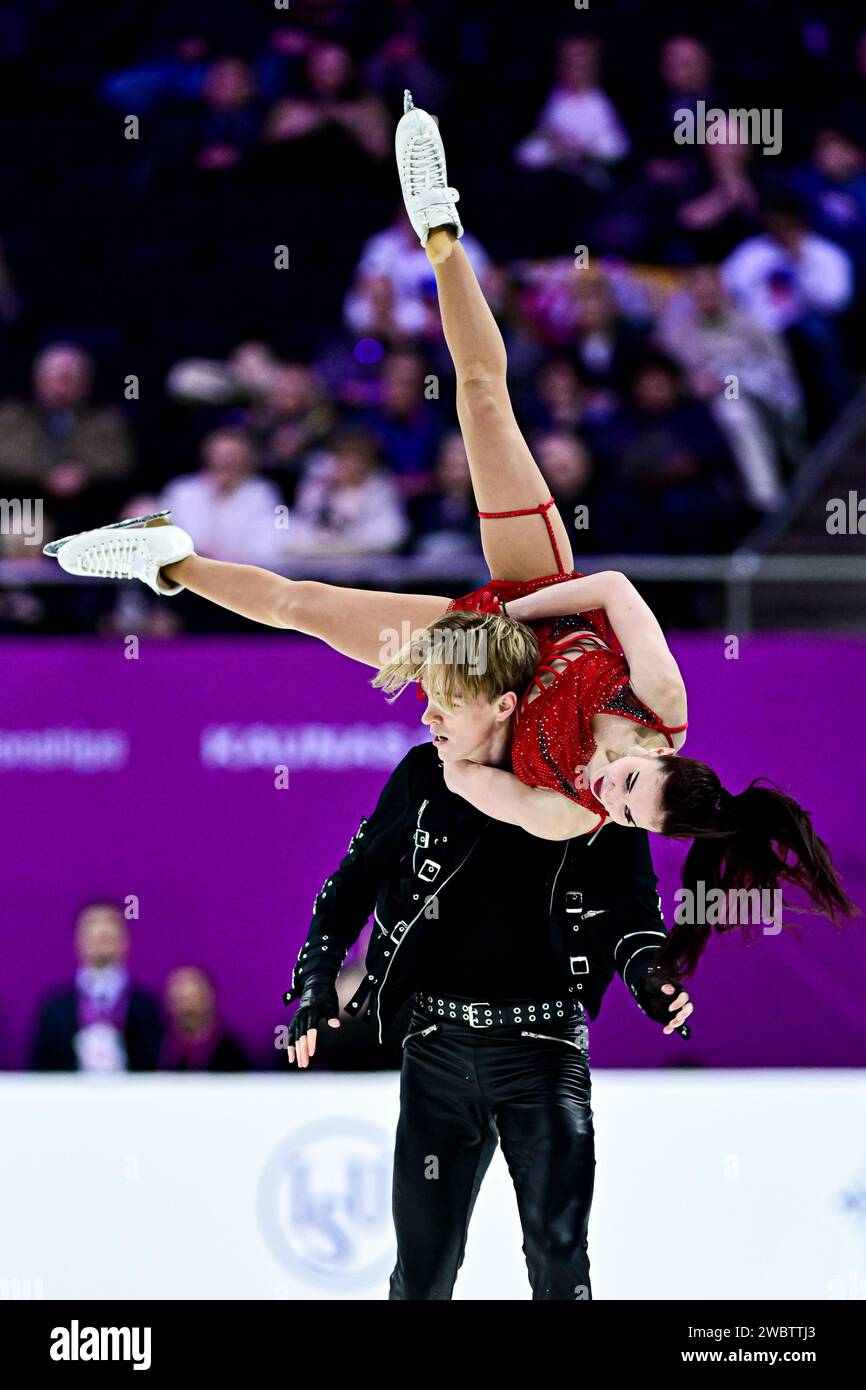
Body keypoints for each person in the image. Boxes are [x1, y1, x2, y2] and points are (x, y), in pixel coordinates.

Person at [47, 94, 855, 977]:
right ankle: (440, 228)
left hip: (479, 668)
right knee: (481, 402)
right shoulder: (660, 703)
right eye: (628, 786)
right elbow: (617, 591)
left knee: (300, 605)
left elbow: (466, 781)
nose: (609, 795)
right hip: (540, 597)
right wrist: (519, 615)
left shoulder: (565, 814)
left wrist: (464, 721)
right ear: (663, 752)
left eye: (623, 815)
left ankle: (167, 557)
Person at [281, 640, 694, 1298]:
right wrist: (315, 981)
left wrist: (649, 973)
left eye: (448, 702)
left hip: (543, 1053)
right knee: (422, 1273)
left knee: (559, 1259)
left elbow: (632, 912)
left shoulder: (595, 787)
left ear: (504, 706)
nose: (427, 717)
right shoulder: (422, 775)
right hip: (436, 1054)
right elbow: (350, 886)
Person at [31, 902, 162, 1072]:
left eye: (110, 924)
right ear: (78, 939)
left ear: (125, 939)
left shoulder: (147, 1007)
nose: (101, 931)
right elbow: (40, 1073)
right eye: (92, 925)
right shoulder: (54, 1008)